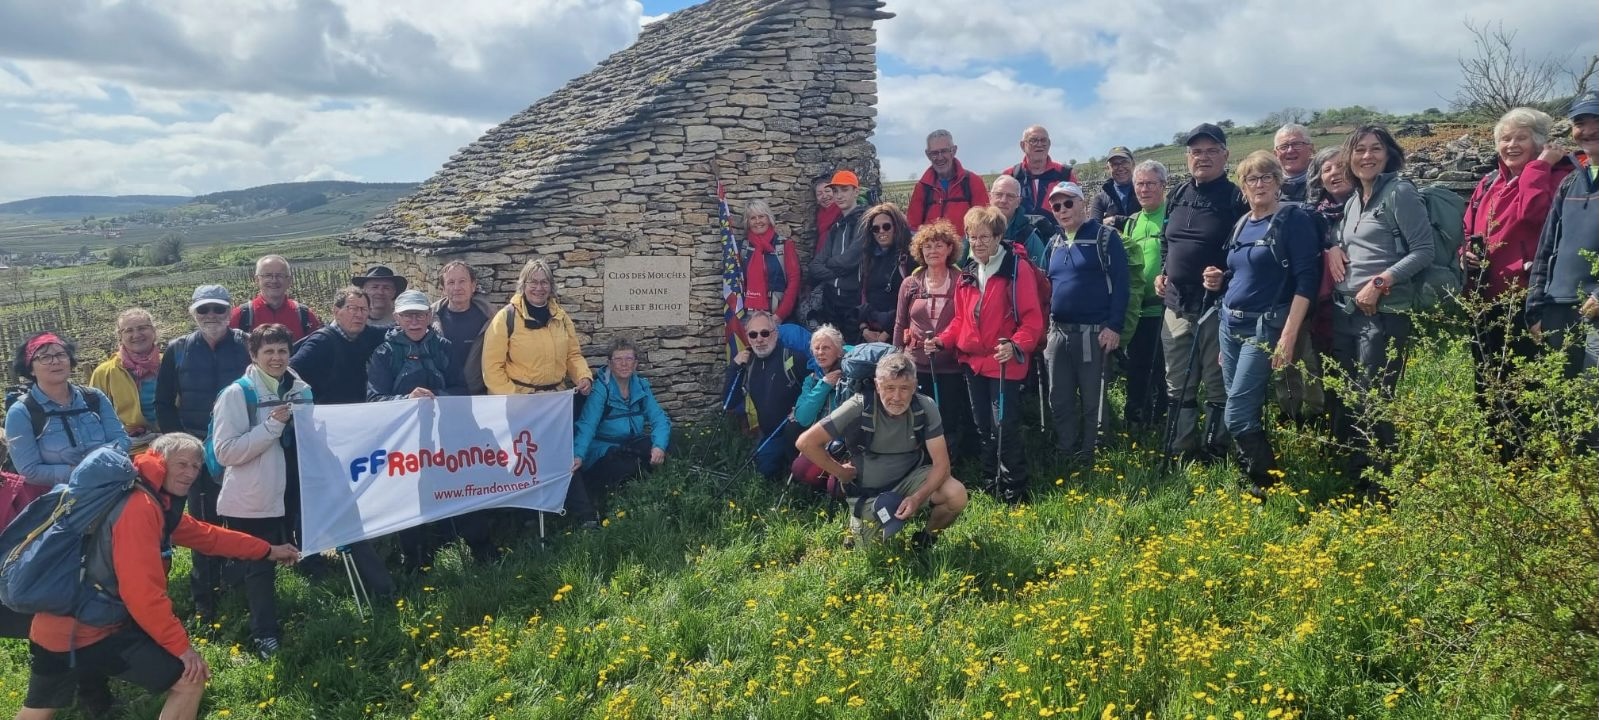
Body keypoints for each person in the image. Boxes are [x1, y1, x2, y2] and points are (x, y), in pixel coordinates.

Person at [12, 437, 298, 720]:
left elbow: (206, 536)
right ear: (159, 459)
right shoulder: (141, 508)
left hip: (53, 627)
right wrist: (183, 650)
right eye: (182, 464)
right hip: (93, 631)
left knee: (35, 712)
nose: (190, 473)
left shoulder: (147, 497)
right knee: (189, 681)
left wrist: (267, 550)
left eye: (196, 466)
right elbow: (143, 595)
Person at [1199, 151, 1322, 498]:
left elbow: (1306, 281)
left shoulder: (1292, 220)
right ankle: (1250, 477)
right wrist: (1217, 279)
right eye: (1252, 179)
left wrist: (1288, 335)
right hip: (1229, 326)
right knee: (1241, 405)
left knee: (1236, 413)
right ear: (1243, 187)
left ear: (1279, 182)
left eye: (1267, 176)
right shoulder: (1242, 224)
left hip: (1264, 327)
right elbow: (1241, 273)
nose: (1259, 184)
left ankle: (1265, 483)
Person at [1331, 125, 1436, 494]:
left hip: (1385, 313)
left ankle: (1382, 486)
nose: (1366, 156)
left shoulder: (1400, 193)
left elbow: (1424, 250)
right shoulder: (1354, 199)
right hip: (1346, 312)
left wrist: (1380, 283)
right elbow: (1346, 240)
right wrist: (1332, 247)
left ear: (1389, 153)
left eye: (1375, 149)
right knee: (1351, 396)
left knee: (1372, 397)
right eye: (1359, 150)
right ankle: (1359, 473)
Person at [1462, 107, 1574, 455]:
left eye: (1520, 137)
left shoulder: (1558, 178)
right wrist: (1464, 252)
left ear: (1540, 142)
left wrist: (1539, 167)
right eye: (1505, 138)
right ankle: (1499, 453)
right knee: (1488, 378)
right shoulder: (1489, 182)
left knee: (1524, 379)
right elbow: (1468, 227)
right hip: (1484, 296)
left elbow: (1533, 212)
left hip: (1526, 296)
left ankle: (1530, 458)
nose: (1510, 145)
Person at [925, 207, 1045, 503]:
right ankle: (992, 481)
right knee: (983, 426)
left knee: (1004, 424)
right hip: (973, 363)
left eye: (984, 237)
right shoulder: (968, 271)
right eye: (972, 237)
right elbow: (960, 321)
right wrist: (942, 341)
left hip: (1004, 362)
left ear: (999, 237)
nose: (977, 243)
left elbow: (1032, 318)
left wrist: (1015, 345)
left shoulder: (1016, 269)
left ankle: (1015, 487)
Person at [209, 324, 312, 659]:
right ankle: (264, 633)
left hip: (290, 490)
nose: (276, 358)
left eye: (282, 350)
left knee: (268, 561)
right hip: (252, 495)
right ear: (253, 355)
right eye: (268, 351)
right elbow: (226, 452)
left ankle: (244, 607)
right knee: (260, 567)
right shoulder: (237, 394)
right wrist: (273, 426)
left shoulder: (301, 389)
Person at [795, 351, 968, 548]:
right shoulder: (858, 406)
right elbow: (806, 443)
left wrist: (916, 498)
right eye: (889, 387)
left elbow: (942, 464)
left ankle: (925, 540)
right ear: (877, 385)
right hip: (869, 492)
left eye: (904, 388)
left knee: (956, 494)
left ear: (914, 386)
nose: (896, 397)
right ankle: (857, 528)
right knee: (871, 552)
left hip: (913, 478)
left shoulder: (925, 406)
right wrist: (840, 472)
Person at [153, 284, 250, 623]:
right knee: (202, 526)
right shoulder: (177, 350)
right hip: (197, 456)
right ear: (193, 313)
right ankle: (205, 602)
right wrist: (179, 445)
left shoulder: (248, 345)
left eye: (218, 310)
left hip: (242, 450)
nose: (211, 316)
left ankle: (242, 589)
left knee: (242, 522)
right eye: (204, 310)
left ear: (230, 311)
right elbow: (163, 403)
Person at [287, 286, 396, 581]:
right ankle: (309, 557)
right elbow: (289, 374)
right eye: (352, 308)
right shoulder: (321, 342)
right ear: (336, 311)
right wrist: (308, 408)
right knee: (314, 493)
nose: (359, 315)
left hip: (355, 431)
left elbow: (396, 334)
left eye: (363, 309)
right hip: (322, 432)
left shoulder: (370, 336)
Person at [1156, 123, 1248, 461]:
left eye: (1211, 151)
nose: (1203, 157)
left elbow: (1249, 251)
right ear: (1187, 156)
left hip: (1216, 306)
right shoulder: (1178, 195)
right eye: (1196, 151)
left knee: (1217, 379)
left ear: (1225, 155)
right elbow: (1167, 242)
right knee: (1177, 382)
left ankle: (1216, 448)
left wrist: (1224, 275)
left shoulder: (1237, 198)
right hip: (1176, 305)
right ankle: (1182, 448)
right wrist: (1164, 272)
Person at [367, 290, 476, 565]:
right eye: (407, 315)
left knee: (456, 486)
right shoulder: (383, 353)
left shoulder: (444, 347)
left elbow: (460, 389)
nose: (414, 320)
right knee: (408, 494)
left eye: (419, 314)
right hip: (404, 441)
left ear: (429, 316)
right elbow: (373, 399)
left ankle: (471, 545)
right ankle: (414, 559)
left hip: (444, 435)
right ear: (396, 318)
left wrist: (437, 397)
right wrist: (406, 400)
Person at [1040, 182, 1130, 468]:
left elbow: (1122, 284)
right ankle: (1066, 452)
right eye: (1056, 206)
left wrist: (1114, 326)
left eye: (1069, 203)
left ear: (1083, 204)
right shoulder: (1053, 243)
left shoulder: (1105, 238)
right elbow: (1044, 287)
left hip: (1094, 333)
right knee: (1059, 397)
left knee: (1094, 398)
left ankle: (1093, 453)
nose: (1063, 210)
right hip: (1057, 333)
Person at [1527, 92, 1599, 436]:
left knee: (1592, 401)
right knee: (1562, 405)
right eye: (1580, 123)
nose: (1587, 130)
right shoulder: (1571, 179)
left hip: (1594, 309)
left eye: (1596, 121)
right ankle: (1572, 483)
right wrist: (1535, 306)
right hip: (1558, 307)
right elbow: (1547, 247)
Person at [894, 220, 975, 459]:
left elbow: (965, 319)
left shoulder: (961, 281)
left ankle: (947, 461)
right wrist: (897, 358)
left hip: (950, 364)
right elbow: (900, 323)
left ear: (950, 249)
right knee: (917, 414)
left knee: (947, 415)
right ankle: (918, 461)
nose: (932, 251)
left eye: (938, 245)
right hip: (916, 363)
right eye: (927, 246)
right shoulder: (910, 284)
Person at [7, 332, 129, 487]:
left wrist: (99, 462)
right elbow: (30, 471)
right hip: (60, 498)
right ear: (30, 368)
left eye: (61, 354)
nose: (55, 361)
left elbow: (121, 440)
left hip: (110, 482)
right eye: (44, 357)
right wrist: (83, 472)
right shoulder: (22, 412)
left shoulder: (94, 398)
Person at [569, 338, 670, 523]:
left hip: (631, 442)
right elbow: (587, 425)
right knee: (627, 466)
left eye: (629, 358)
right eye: (618, 359)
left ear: (636, 363)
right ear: (610, 363)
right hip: (603, 448)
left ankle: (646, 494)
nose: (624, 364)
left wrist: (659, 446)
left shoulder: (640, 386)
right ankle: (609, 498)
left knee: (663, 449)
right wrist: (579, 455)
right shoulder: (601, 389)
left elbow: (659, 419)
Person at [482, 258, 594, 397]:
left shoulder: (561, 317)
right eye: (533, 282)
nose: (539, 288)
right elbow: (492, 366)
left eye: (544, 282)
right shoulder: (505, 318)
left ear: (551, 286)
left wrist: (583, 376)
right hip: (520, 400)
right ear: (523, 285)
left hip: (556, 399)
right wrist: (513, 397)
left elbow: (573, 355)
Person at [722, 310, 805, 479]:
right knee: (759, 471)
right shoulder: (748, 363)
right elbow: (729, 403)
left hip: (797, 433)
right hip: (768, 434)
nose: (759, 339)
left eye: (765, 333)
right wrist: (734, 367)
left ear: (775, 333)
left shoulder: (794, 358)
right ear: (747, 337)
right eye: (753, 335)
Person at [1123, 161, 1170, 430]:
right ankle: (1137, 422)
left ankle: (1163, 422)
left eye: (1150, 183)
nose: (1144, 189)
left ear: (1163, 186)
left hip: (1163, 310)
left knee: (1163, 372)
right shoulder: (1132, 222)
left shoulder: (1172, 215)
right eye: (1139, 184)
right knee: (1137, 370)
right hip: (1136, 312)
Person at [88, 309, 161, 455]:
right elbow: (92, 417)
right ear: (120, 336)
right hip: (127, 448)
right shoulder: (104, 372)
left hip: (168, 442)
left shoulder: (169, 364)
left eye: (142, 328)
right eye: (128, 331)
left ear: (153, 331)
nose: (136, 335)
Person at [808, 171, 869, 342]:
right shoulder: (836, 226)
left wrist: (829, 264)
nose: (839, 195)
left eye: (844, 190)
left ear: (856, 192)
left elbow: (850, 260)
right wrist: (837, 271)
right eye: (835, 191)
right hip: (831, 300)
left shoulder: (866, 221)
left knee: (853, 349)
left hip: (854, 300)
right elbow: (815, 266)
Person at [789, 324, 849, 492]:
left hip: (848, 442)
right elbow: (802, 417)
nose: (820, 352)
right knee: (802, 470)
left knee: (835, 487)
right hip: (822, 442)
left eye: (826, 348)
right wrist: (824, 385)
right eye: (817, 348)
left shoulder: (851, 377)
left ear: (839, 351)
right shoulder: (812, 380)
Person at [430, 261, 498, 395]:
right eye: (451, 282)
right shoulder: (429, 319)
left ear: (473, 286)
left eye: (462, 281)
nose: (457, 287)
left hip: (479, 394)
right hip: (442, 395)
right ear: (443, 289)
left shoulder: (492, 319)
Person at [906, 130, 990, 236]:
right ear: (928, 155)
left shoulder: (973, 182)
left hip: (966, 250)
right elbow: (913, 230)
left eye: (944, 151)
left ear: (953, 151)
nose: (940, 157)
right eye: (935, 153)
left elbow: (985, 224)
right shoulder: (922, 188)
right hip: (932, 251)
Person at [230, 255, 322, 341]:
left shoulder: (305, 315)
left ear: (289, 281)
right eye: (268, 275)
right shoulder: (241, 316)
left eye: (280, 275)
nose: (274, 280)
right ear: (257, 280)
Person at [1004, 125, 1078, 232]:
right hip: (1019, 243)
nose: (1039, 144)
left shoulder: (1065, 174)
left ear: (1049, 144)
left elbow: (1077, 209)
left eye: (1043, 140)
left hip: (1058, 240)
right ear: (1022, 145)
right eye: (1033, 140)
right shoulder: (1010, 176)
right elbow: (999, 212)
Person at [857, 203, 913, 344]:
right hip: (870, 332)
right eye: (875, 228)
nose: (881, 231)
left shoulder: (909, 258)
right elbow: (862, 295)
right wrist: (864, 328)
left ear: (897, 227)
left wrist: (887, 334)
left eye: (886, 226)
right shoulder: (868, 258)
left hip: (898, 334)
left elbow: (912, 300)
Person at [739, 200, 802, 323]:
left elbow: (794, 282)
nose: (758, 221)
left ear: (769, 219)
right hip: (751, 316)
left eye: (761, 216)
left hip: (779, 315)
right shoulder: (744, 248)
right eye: (753, 218)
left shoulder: (784, 245)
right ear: (748, 222)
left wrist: (779, 315)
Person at [989, 175, 1048, 267]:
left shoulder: (1028, 235)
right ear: (990, 197)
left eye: (1010, 196)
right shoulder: (975, 228)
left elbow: (1041, 275)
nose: (1003, 200)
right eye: (999, 194)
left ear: (1018, 202)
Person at [1091, 146, 1139, 233]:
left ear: (1133, 164)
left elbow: (1151, 220)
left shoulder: (1145, 191)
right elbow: (1095, 230)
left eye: (1124, 162)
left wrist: (1115, 220)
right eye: (1115, 164)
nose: (1120, 168)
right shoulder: (1100, 199)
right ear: (1108, 168)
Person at [352, 265, 407, 329]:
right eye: (375, 287)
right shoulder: (354, 319)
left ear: (394, 292)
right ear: (364, 290)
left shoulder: (404, 320)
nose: (380, 292)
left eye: (386, 288)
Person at [1274, 124, 1316, 203]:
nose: (1290, 150)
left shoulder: (1324, 183)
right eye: (1283, 147)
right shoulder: (1267, 186)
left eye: (1297, 144)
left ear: (1311, 148)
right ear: (1276, 154)